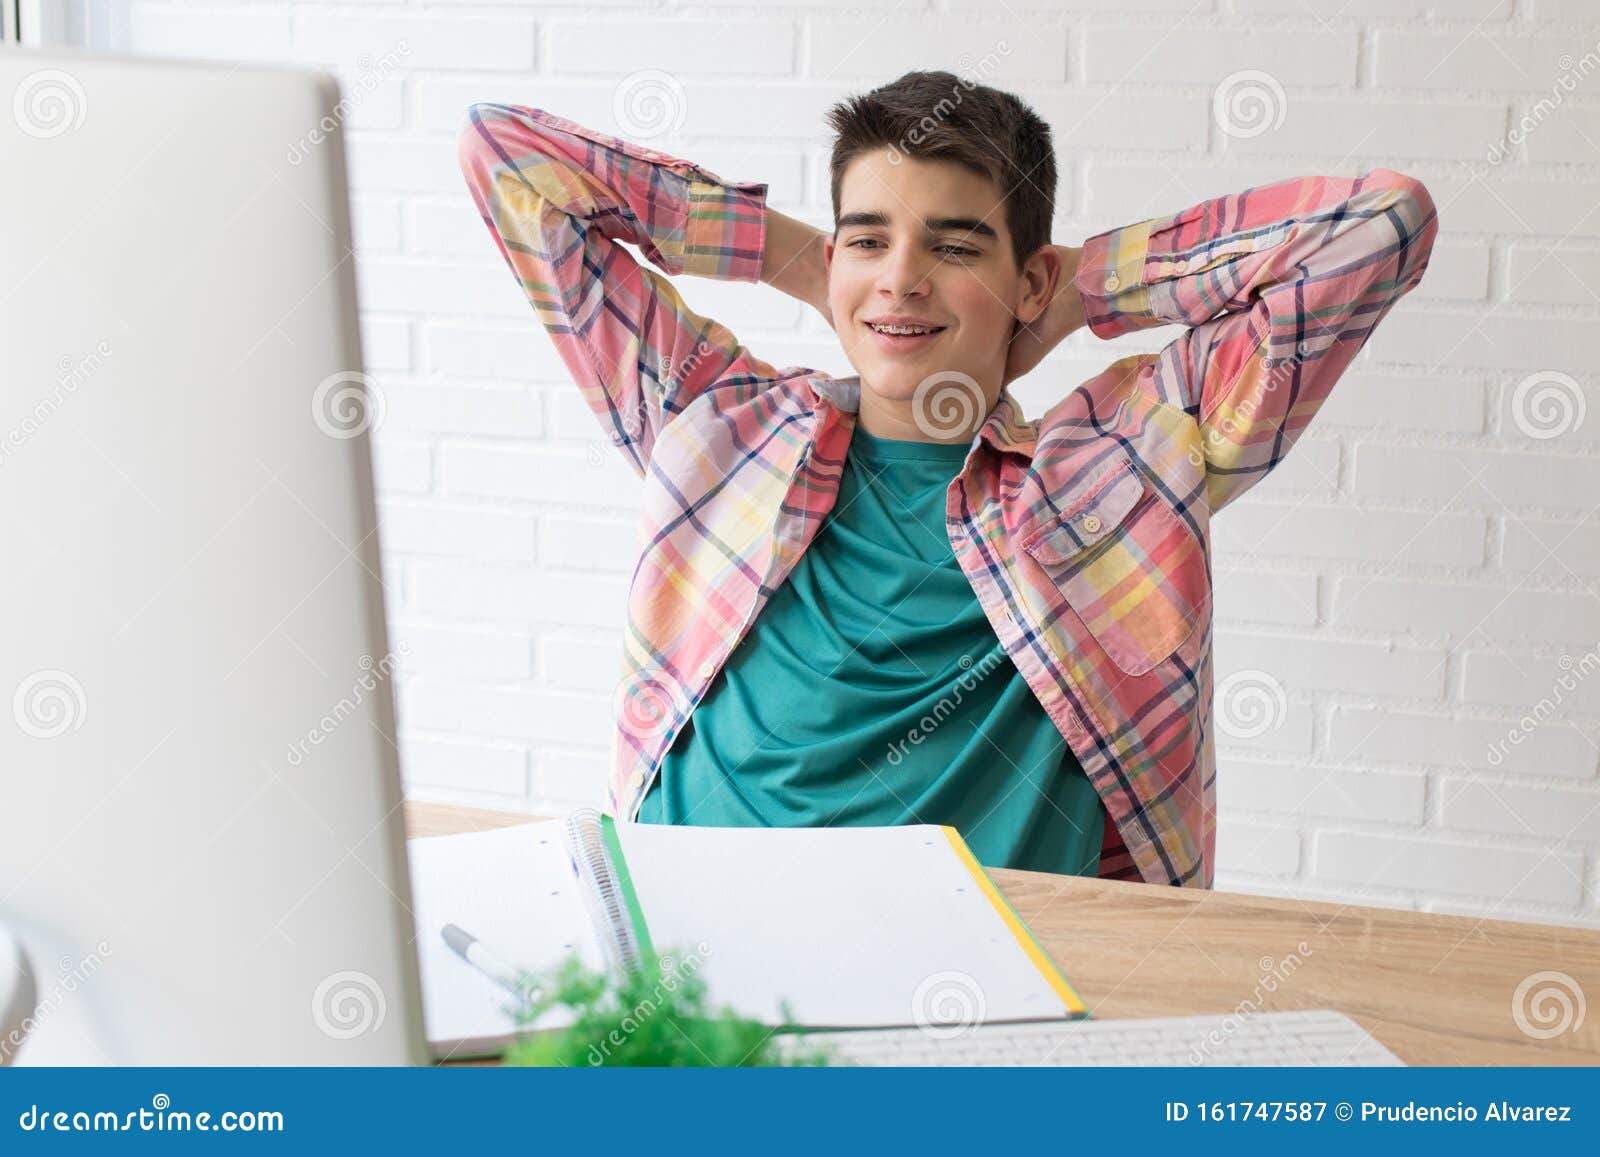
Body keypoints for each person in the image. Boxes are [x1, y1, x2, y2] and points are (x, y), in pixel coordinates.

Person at [456, 70, 1438, 887]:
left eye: (955, 246)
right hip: (685, 966)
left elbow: (1377, 224)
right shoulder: (714, 422)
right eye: (870, 239)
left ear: (1028, 278)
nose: (901, 279)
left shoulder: (1119, 472)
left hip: (974, 998)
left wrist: (1078, 290)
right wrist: (802, 259)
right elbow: (506, 157)